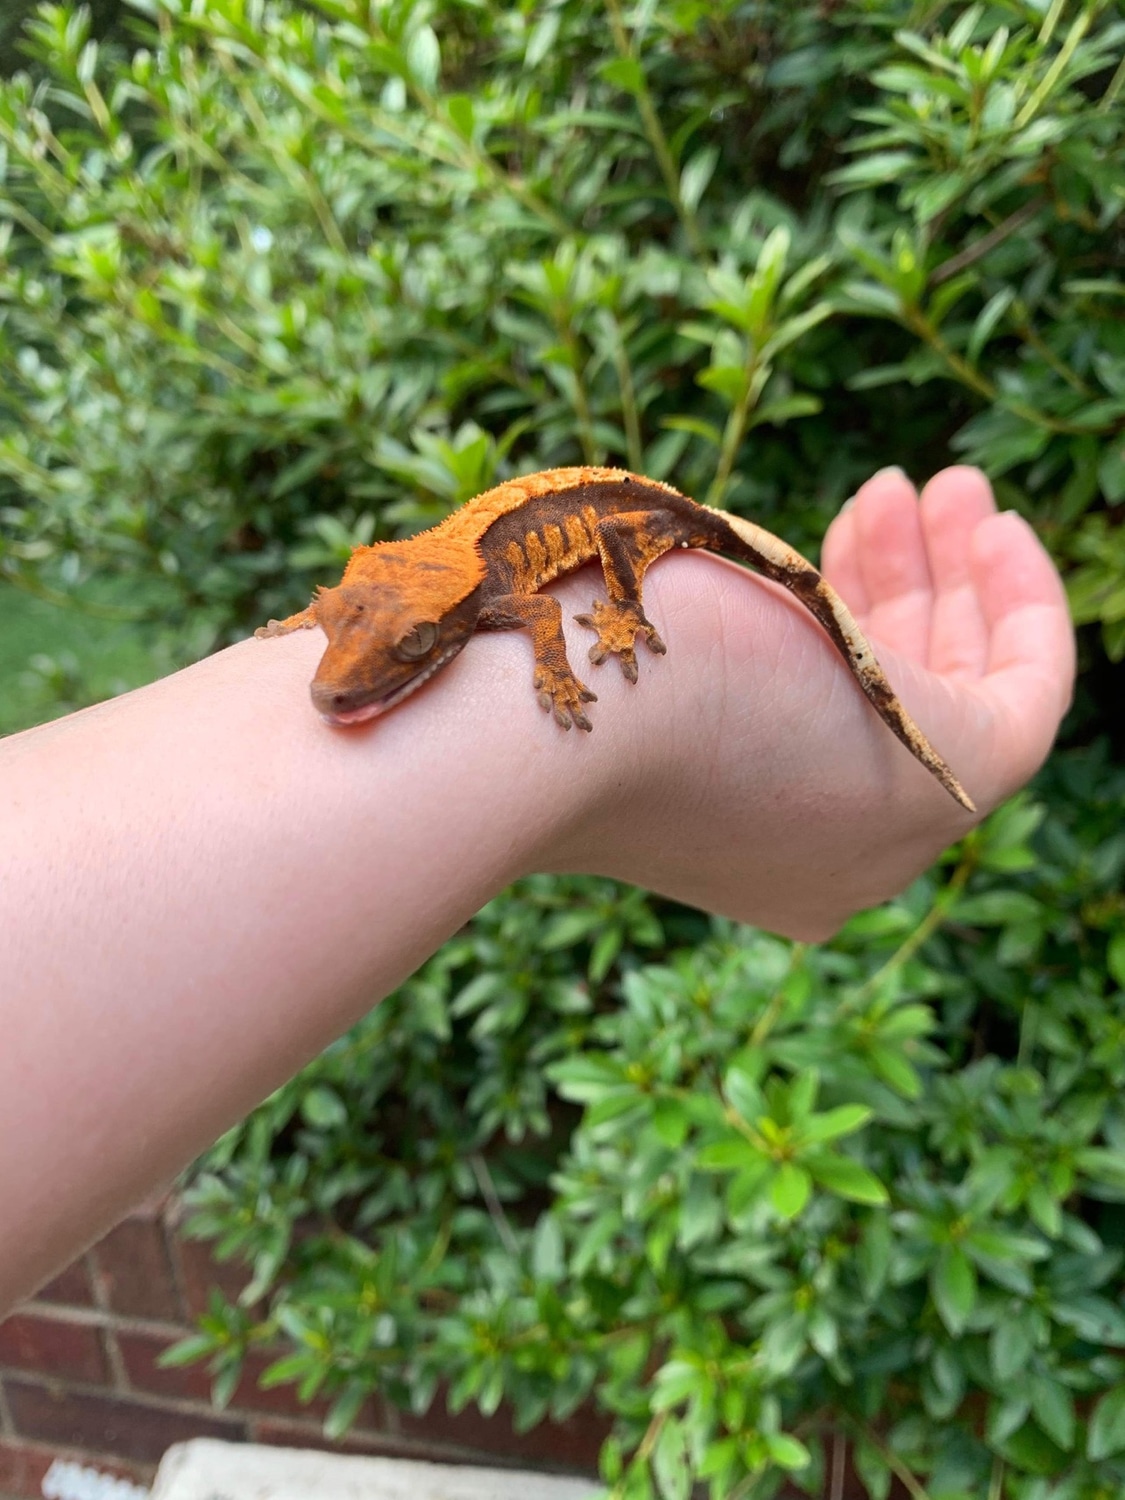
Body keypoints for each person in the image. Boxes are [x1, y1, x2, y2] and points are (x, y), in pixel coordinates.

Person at [0, 465, 1075, 1314]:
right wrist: (320, 629)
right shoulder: (405, 586)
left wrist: (581, 656)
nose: (350, 681)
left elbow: (542, 622)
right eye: (355, 641)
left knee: (615, 552)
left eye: (410, 648)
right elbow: (363, 592)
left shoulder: (503, 595)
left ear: (460, 616)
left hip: (623, 515)